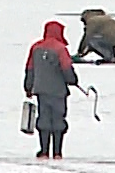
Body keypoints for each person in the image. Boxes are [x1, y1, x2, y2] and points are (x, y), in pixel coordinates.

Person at [25, 21, 79, 158]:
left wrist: (28, 87)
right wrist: (72, 80)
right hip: (58, 92)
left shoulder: (35, 48)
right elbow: (67, 68)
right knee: (58, 120)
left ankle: (43, 151)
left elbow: (30, 69)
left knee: (43, 120)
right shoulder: (61, 49)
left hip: (41, 91)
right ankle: (57, 152)